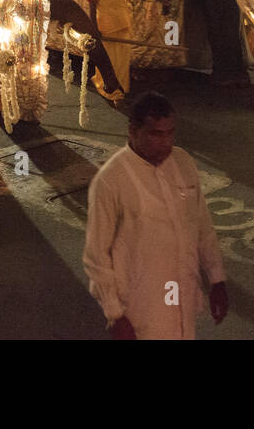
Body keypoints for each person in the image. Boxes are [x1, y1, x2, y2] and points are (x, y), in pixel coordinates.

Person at [83, 92, 228, 339]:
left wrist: (217, 280)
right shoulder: (111, 180)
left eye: (170, 132)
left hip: (182, 297)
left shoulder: (183, 163)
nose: (165, 142)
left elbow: (202, 225)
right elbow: (96, 255)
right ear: (133, 131)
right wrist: (115, 314)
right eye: (155, 134)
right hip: (142, 309)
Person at [85, 0, 165, 101]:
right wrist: (93, 28)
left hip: (123, 22)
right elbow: (92, 3)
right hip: (106, 25)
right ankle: (107, 89)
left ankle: (120, 89)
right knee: (109, 61)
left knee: (121, 61)